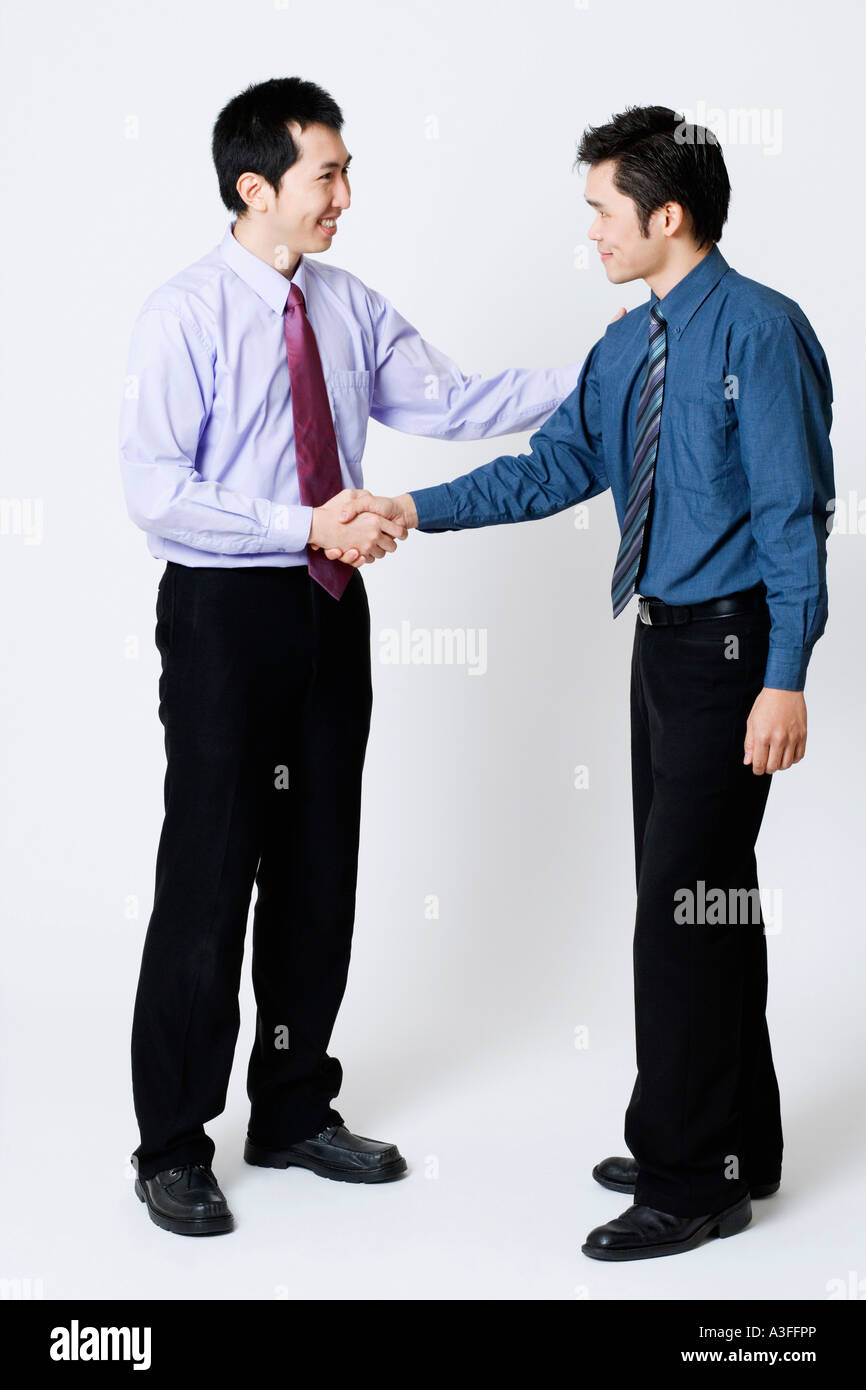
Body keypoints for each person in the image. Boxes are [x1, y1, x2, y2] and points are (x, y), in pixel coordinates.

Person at [331, 105, 834, 1261]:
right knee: (708, 900)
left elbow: (791, 518)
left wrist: (785, 674)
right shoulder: (626, 345)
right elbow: (552, 467)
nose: (592, 232)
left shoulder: (759, 334)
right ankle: (730, 1146)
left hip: (731, 652)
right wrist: (412, 507)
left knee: (676, 913)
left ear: (668, 214)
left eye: (604, 209)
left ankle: (682, 1179)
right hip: (658, 650)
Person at [118, 75, 601, 1237]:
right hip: (226, 619)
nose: (345, 194)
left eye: (344, 170)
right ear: (255, 188)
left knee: (317, 866)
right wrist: (307, 523)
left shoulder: (342, 303)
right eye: (325, 174)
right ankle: (172, 1145)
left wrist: (611, 370)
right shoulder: (182, 314)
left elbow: (448, 398)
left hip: (330, 612)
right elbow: (154, 493)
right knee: (207, 874)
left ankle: (290, 1108)